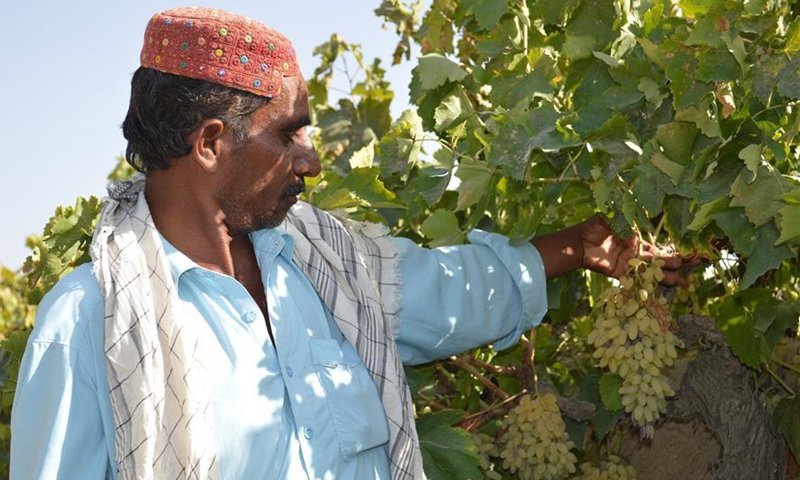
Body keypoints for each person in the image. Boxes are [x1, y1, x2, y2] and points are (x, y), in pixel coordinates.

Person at [9, 7, 687, 480]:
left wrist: (578, 247)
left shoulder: (324, 262)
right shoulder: (88, 326)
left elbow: (450, 293)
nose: (311, 159)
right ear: (212, 141)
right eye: (289, 133)